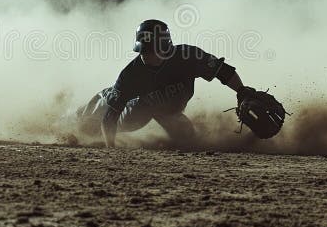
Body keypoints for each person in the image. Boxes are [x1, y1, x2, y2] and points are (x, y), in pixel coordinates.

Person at [77, 19, 257, 148]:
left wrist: (241, 90)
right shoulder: (131, 74)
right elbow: (111, 116)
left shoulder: (188, 56)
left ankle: (248, 140)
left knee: (189, 140)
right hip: (134, 109)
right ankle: (70, 116)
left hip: (168, 112)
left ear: (165, 47)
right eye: (143, 51)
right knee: (87, 126)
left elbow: (223, 71)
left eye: (150, 50)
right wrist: (111, 148)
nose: (145, 55)